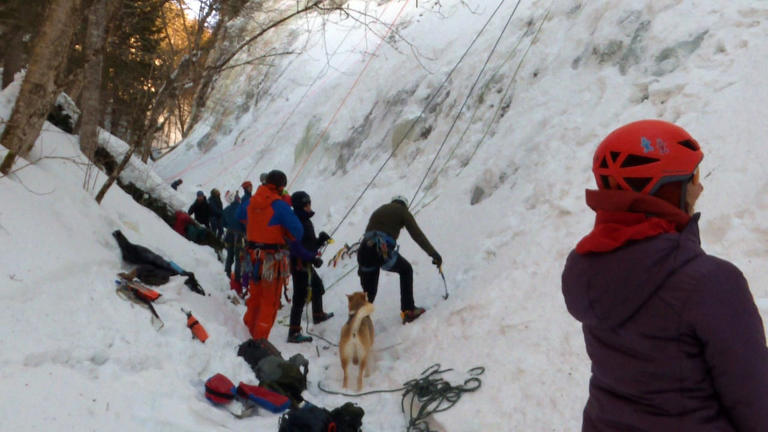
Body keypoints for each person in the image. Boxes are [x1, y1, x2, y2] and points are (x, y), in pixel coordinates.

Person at [561, 120, 768, 431]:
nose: (700, 187)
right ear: (666, 190)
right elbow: (756, 402)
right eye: (692, 178)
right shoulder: (710, 283)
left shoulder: (588, 267)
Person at [242, 170, 316, 340]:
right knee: (270, 302)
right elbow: (297, 231)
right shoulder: (279, 205)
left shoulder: (251, 202)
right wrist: (282, 233)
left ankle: (245, 334)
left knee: (255, 298)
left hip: (252, 256)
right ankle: (259, 342)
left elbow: (240, 216)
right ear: (281, 187)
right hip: (270, 259)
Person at [357, 195, 442, 324]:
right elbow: (417, 235)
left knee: (369, 294)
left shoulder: (380, 209)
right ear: (404, 205)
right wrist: (434, 254)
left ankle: (356, 327)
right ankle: (408, 310)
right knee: (406, 270)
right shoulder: (403, 212)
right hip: (380, 250)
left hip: (364, 251)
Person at [286, 191, 334, 343]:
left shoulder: (303, 220)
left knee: (318, 287)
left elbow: (309, 244)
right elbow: (297, 247)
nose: (309, 206)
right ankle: (293, 332)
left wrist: (320, 241)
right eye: (308, 204)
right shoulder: (298, 222)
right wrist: (313, 258)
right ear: (302, 205)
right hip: (300, 264)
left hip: (304, 262)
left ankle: (318, 315)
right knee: (299, 297)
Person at [223, 192, 244, 296]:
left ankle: (226, 273)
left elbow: (223, 222)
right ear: (237, 199)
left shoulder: (226, 209)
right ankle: (237, 278)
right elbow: (244, 221)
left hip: (229, 233)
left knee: (230, 255)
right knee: (238, 257)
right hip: (239, 235)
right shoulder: (241, 208)